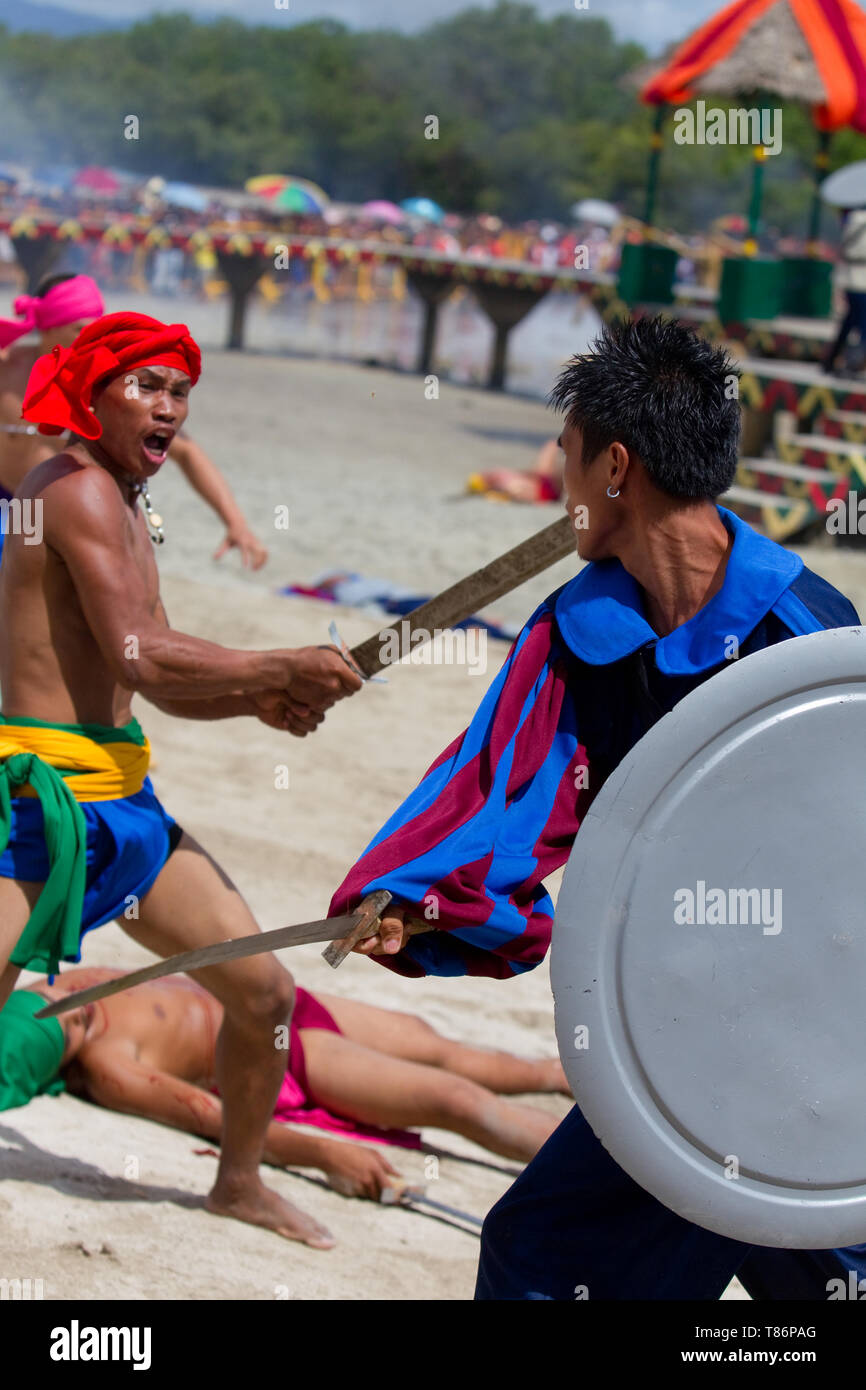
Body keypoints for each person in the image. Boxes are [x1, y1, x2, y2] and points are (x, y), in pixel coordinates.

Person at [328, 315, 866, 1298]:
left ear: (614, 467)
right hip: (685, 1041)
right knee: (545, 1261)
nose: (561, 489)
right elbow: (506, 784)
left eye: (569, 463)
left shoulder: (808, 646)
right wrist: (416, 898)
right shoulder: (583, 626)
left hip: (825, 1056)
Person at [0, 310, 362, 1246]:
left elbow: (151, 686)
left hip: (123, 804)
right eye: (148, 388)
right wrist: (277, 664)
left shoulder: (124, 496)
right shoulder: (71, 489)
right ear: (94, 394)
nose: (169, 409)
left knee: (265, 996)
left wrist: (258, 699)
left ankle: (235, 1183)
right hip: (35, 808)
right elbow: (144, 657)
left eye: (180, 393)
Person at [0, 968, 569, 1197]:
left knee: (438, 1046)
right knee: (455, 1101)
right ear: (64, 1059)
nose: (79, 1011)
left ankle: (556, 1075)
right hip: (287, 1052)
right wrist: (323, 1153)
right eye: (73, 1029)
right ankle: (603, 1165)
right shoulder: (112, 1068)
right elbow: (207, 1115)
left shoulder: (71, 982)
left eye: (61, 1004)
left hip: (289, 1004)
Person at [0, 274, 268, 567]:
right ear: (49, 327)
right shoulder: (6, 368)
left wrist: (235, 522)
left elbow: (187, 452)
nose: (90, 336)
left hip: (61, 510)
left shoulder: (105, 387)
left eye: (95, 326)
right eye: (80, 328)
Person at [822, 206, 866, 375]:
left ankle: (831, 360)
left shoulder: (853, 218)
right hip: (861, 279)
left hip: (851, 278)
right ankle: (853, 364)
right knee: (862, 324)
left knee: (850, 321)